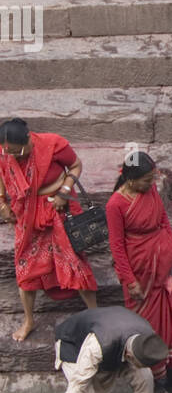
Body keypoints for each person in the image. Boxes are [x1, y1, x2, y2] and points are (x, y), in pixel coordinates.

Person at [0, 118, 98, 343]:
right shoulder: (5, 153)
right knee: (24, 270)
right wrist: (2, 203)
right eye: (9, 153)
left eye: (18, 151)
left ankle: (95, 315)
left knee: (75, 263)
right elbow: (2, 174)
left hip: (57, 210)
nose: (14, 157)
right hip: (26, 217)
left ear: (28, 139)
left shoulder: (53, 144)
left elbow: (76, 165)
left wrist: (64, 192)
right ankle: (28, 320)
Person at [105, 150, 172, 380]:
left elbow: (163, 219)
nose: (151, 184)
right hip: (140, 270)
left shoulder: (151, 189)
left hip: (164, 265)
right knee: (150, 323)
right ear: (131, 180)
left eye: (152, 179)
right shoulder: (115, 204)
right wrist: (130, 280)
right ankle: (157, 373)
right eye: (146, 180)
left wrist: (171, 248)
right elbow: (117, 245)